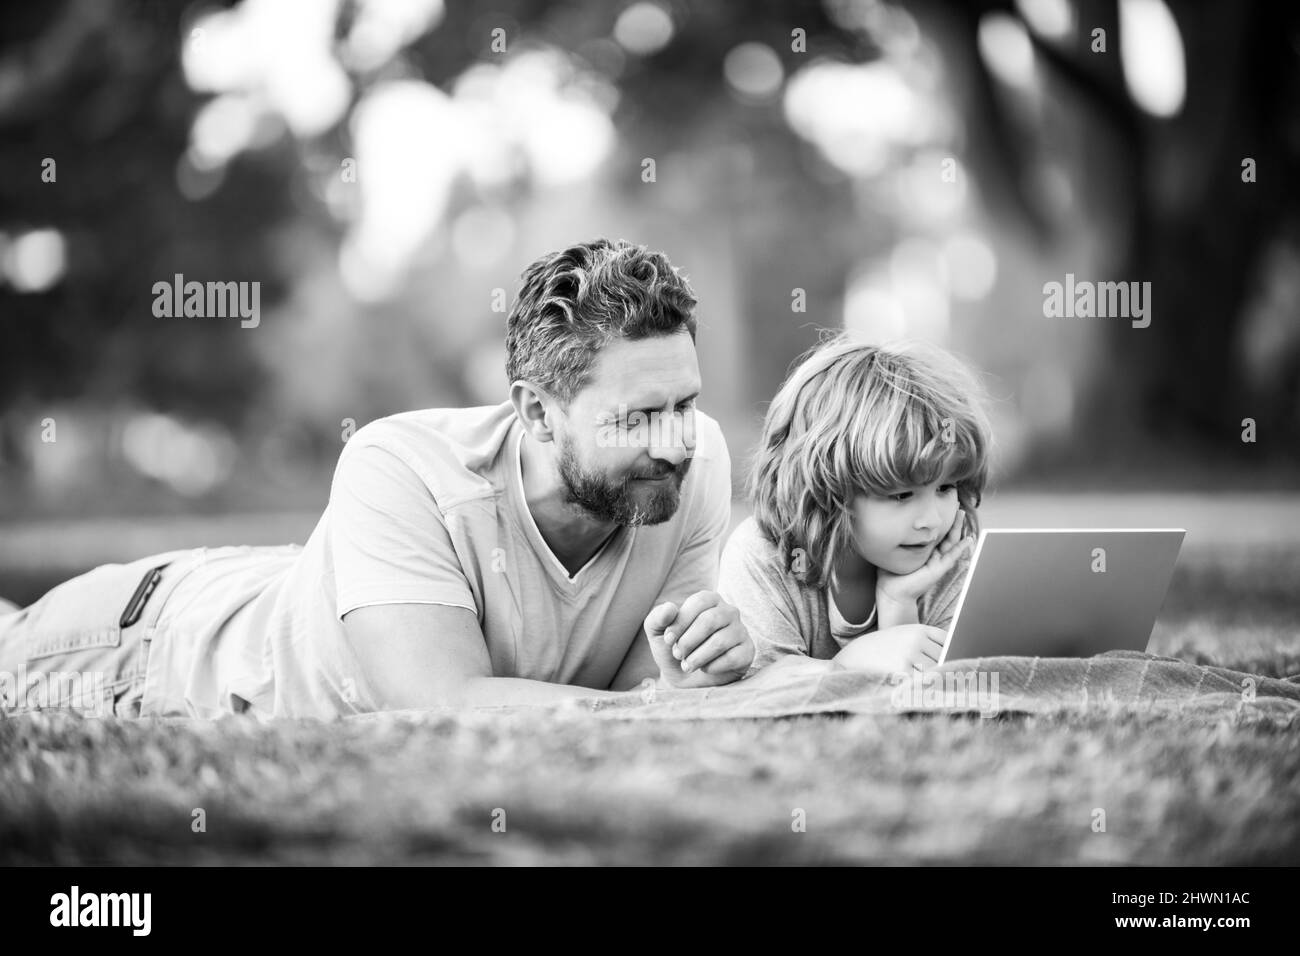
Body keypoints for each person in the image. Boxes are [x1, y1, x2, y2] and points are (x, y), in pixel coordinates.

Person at [0, 238, 754, 720]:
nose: (676, 440)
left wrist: (696, 669)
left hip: (303, 585)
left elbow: (644, 698)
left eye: (686, 403)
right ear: (538, 412)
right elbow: (443, 704)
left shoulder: (696, 463)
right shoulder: (401, 467)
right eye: (640, 415)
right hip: (146, 644)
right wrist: (658, 708)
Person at [717, 334, 993, 680]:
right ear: (827, 488)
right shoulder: (763, 557)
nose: (931, 521)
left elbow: (928, 702)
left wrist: (898, 604)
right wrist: (847, 665)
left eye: (945, 487)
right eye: (902, 495)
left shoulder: (946, 559)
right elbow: (757, 693)